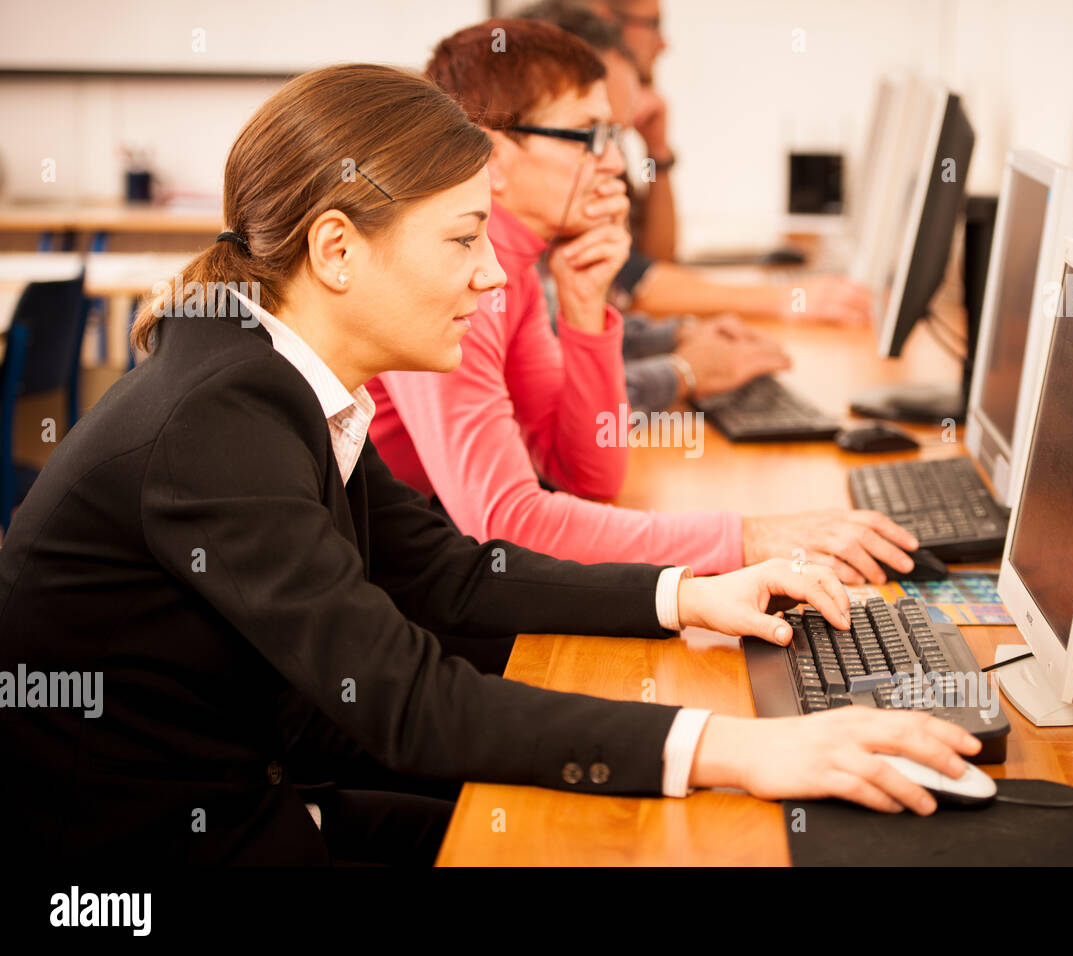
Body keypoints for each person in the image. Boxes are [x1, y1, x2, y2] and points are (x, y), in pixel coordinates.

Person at [0, 64, 979, 866]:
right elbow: (403, 697)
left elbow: (452, 570)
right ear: (336, 250)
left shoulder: (272, 381)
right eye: (465, 238)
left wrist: (687, 594)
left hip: (258, 783)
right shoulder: (222, 420)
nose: (495, 272)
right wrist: (742, 746)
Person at [369, 20, 920, 583]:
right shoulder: (452, 275)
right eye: (589, 136)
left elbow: (587, 473)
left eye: (614, 138)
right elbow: (507, 527)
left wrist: (586, 306)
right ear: (492, 158)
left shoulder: (518, 271)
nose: (613, 164)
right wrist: (751, 537)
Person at [571, 0, 877, 325]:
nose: (664, 43)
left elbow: (654, 259)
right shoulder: (572, 133)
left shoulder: (604, 130)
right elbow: (629, 280)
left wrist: (658, 153)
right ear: (605, 19)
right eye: (653, 24)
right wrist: (785, 299)